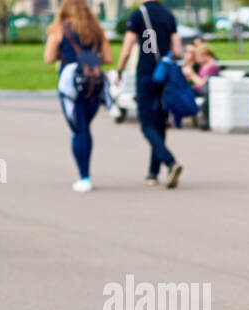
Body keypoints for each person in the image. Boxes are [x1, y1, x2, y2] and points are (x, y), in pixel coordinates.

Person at [43, 0, 112, 193]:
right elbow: (107, 58)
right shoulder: (97, 30)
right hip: (93, 84)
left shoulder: (59, 30)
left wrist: (65, 55)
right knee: (85, 128)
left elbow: (48, 57)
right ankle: (85, 174)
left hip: (70, 84)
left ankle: (84, 176)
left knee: (78, 129)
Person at [114, 0, 184, 188]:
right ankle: (152, 173)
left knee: (146, 124)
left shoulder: (138, 15)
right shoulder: (168, 15)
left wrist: (119, 70)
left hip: (146, 74)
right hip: (164, 75)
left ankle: (170, 162)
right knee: (160, 122)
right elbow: (177, 48)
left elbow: (128, 47)